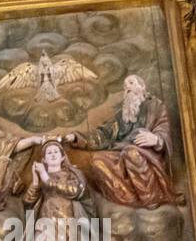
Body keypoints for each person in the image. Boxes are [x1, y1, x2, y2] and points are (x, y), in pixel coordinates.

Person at [65, 74, 182, 209]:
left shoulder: (155, 106)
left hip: (147, 154)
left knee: (131, 153)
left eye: (131, 83)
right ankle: (129, 197)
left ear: (142, 86)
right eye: (125, 86)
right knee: (97, 161)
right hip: (120, 152)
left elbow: (162, 128)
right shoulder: (122, 113)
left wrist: (156, 139)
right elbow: (103, 134)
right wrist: (77, 138)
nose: (127, 88)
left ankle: (151, 197)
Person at [22, 141, 94, 241]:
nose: (53, 154)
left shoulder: (71, 174)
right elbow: (27, 202)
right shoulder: (40, 176)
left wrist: (47, 178)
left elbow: (74, 191)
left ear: (62, 157)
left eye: (56, 152)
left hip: (67, 215)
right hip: (46, 217)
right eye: (49, 153)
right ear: (44, 160)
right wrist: (36, 182)